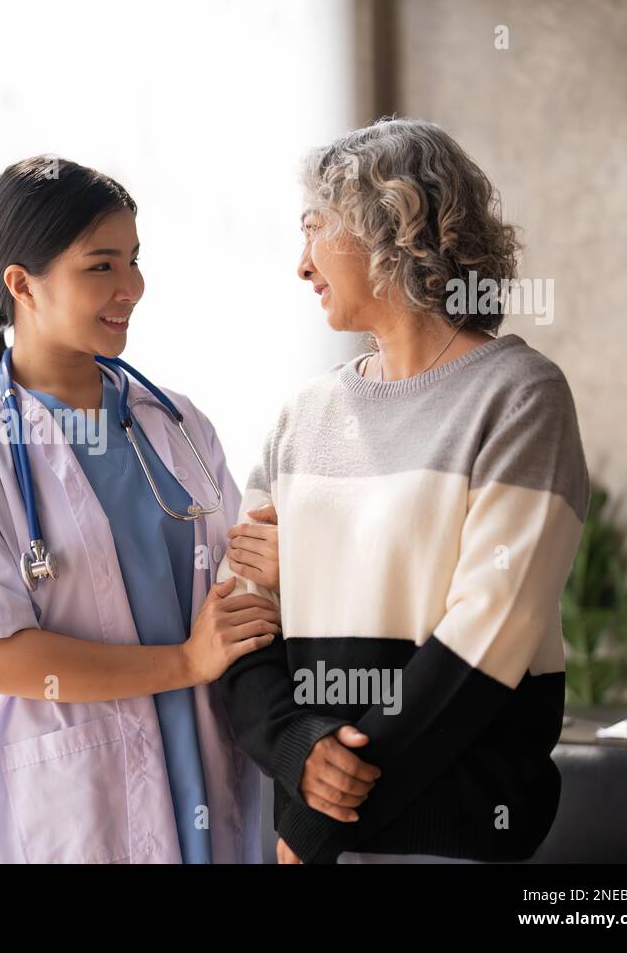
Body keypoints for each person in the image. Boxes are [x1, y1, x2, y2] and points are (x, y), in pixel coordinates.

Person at [219, 117, 590, 865]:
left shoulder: (519, 398)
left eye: (314, 229)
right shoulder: (302, 417)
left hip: (453, 843)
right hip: (310, 839)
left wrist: (319, 823)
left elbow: (488, 634)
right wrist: (297, 750)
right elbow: (239, 621)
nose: (301, 265)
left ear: (388, 224)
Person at [0, 155, 279, 863]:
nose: (132, 287)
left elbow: (239, 579)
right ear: (22, 283)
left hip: (199, 760)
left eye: (134, 260)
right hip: (76, 798)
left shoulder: (175, 422)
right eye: (101, 266)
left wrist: (277, 566)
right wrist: (186, 661)